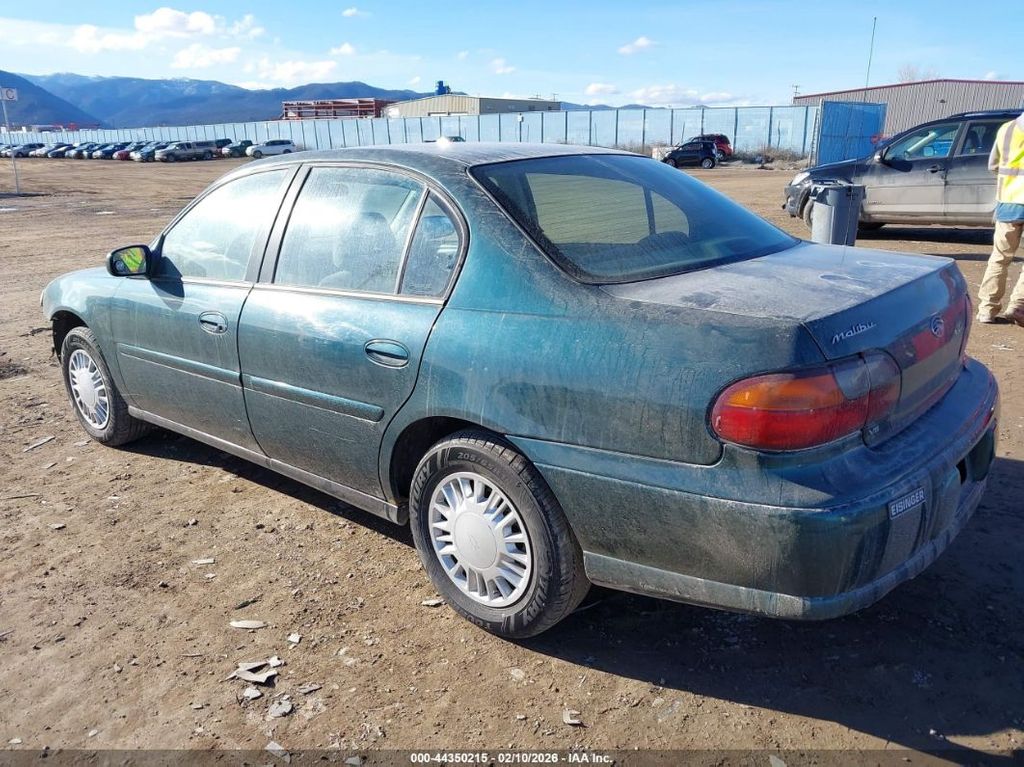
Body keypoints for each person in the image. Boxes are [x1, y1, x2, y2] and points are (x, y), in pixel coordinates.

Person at [977, 111, 1024, 326]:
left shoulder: (1006, 129)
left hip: (1009, 202)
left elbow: (993, 166)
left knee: (999, 257)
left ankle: (987, 308)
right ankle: (1018, 307)